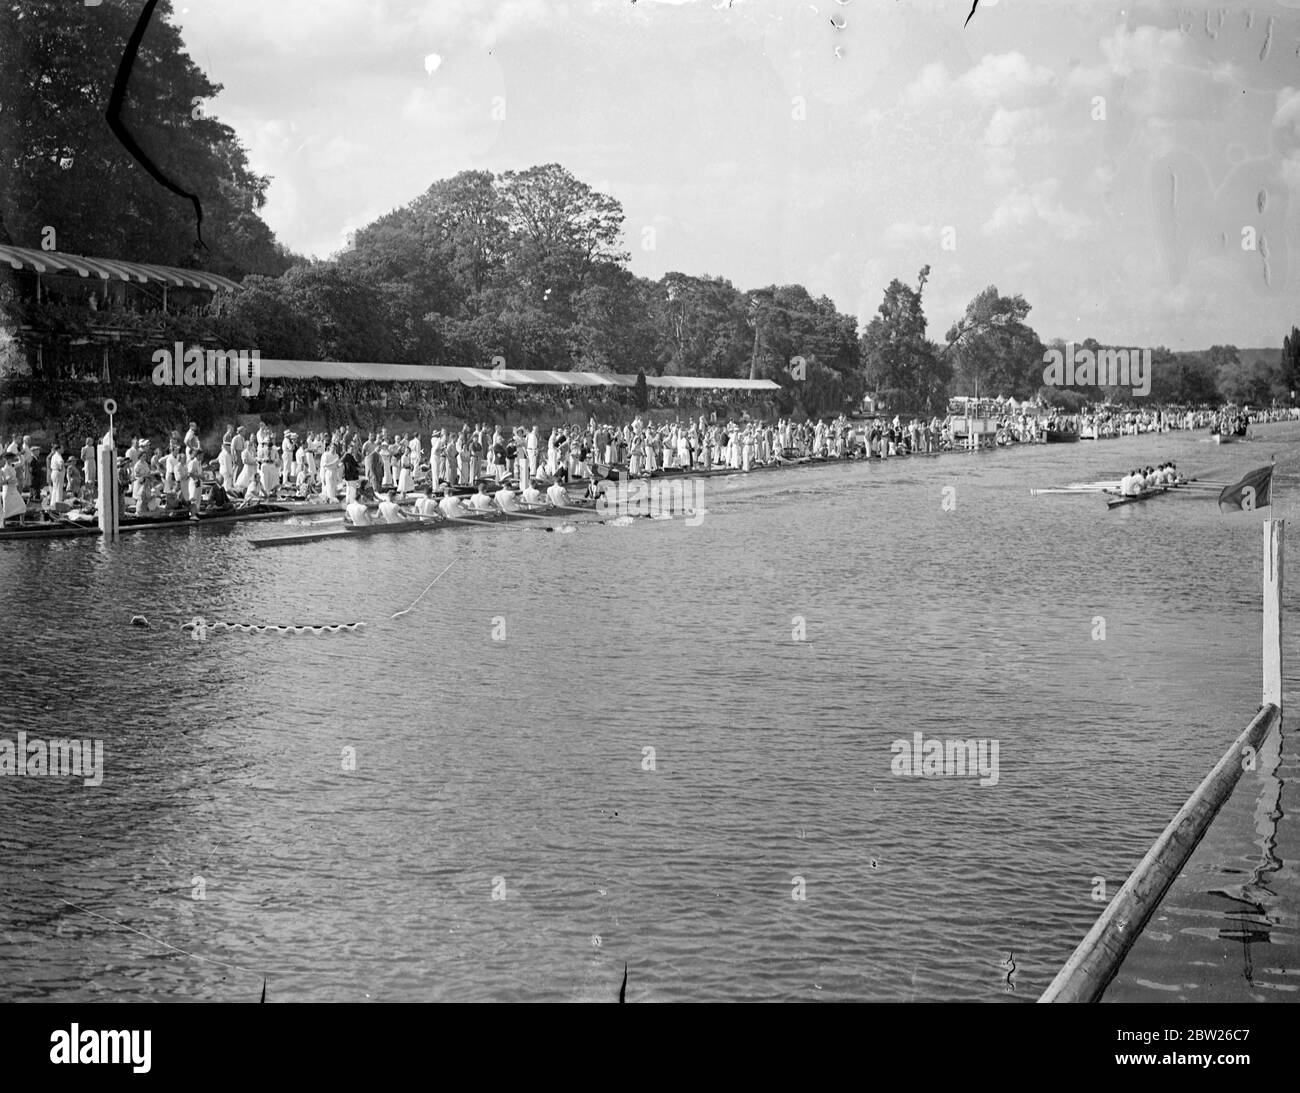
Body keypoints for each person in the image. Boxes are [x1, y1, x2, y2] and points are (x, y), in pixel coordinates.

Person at [1, 451, 25, 524]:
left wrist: (19, 455)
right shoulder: (5, 468)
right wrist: (13, 480)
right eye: (10, 458)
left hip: (14, 489)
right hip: (8, 490)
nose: (11, 460)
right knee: (6, 509)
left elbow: (21, 462)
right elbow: (7, 479)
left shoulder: (12, 465)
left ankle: (22, 523)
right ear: (6, 459)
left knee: (22, 506)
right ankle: (3, 524)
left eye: (12, 458)